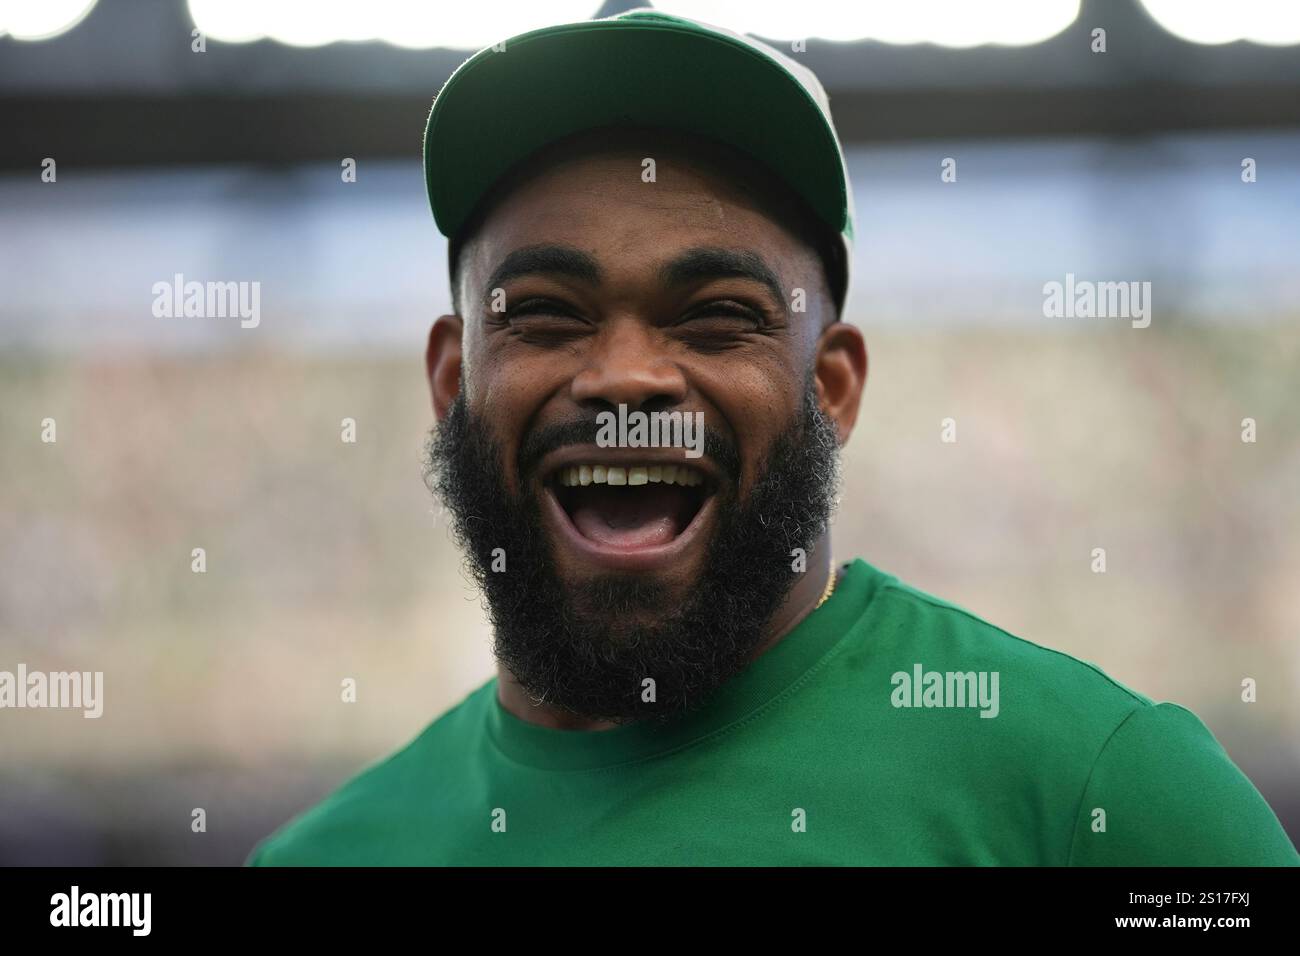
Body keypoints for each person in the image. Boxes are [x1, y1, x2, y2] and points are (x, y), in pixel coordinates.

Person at [250, 9, 1298, 866]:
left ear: (831, 386)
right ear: (452, 378)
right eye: (544, 312)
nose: (624, 375)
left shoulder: (1099, 794)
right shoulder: (327, 855)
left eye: (715, 315)